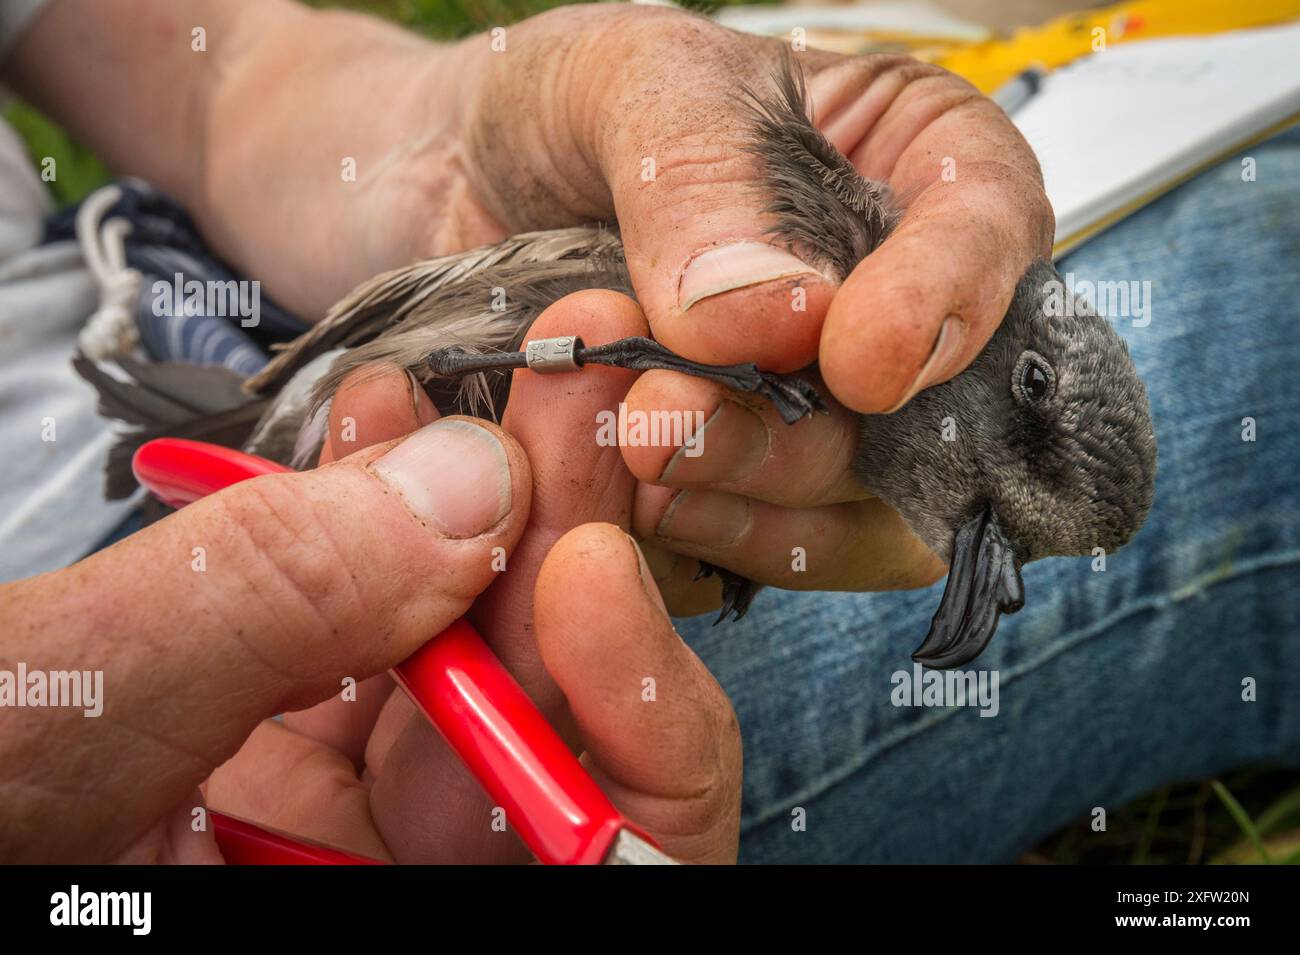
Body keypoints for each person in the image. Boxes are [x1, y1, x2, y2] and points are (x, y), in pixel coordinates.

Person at [0, 0, 1294, 863]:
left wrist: (463, 134)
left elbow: (215, 68)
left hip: (197, 316)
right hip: (236, 587)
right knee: (1268, 293)